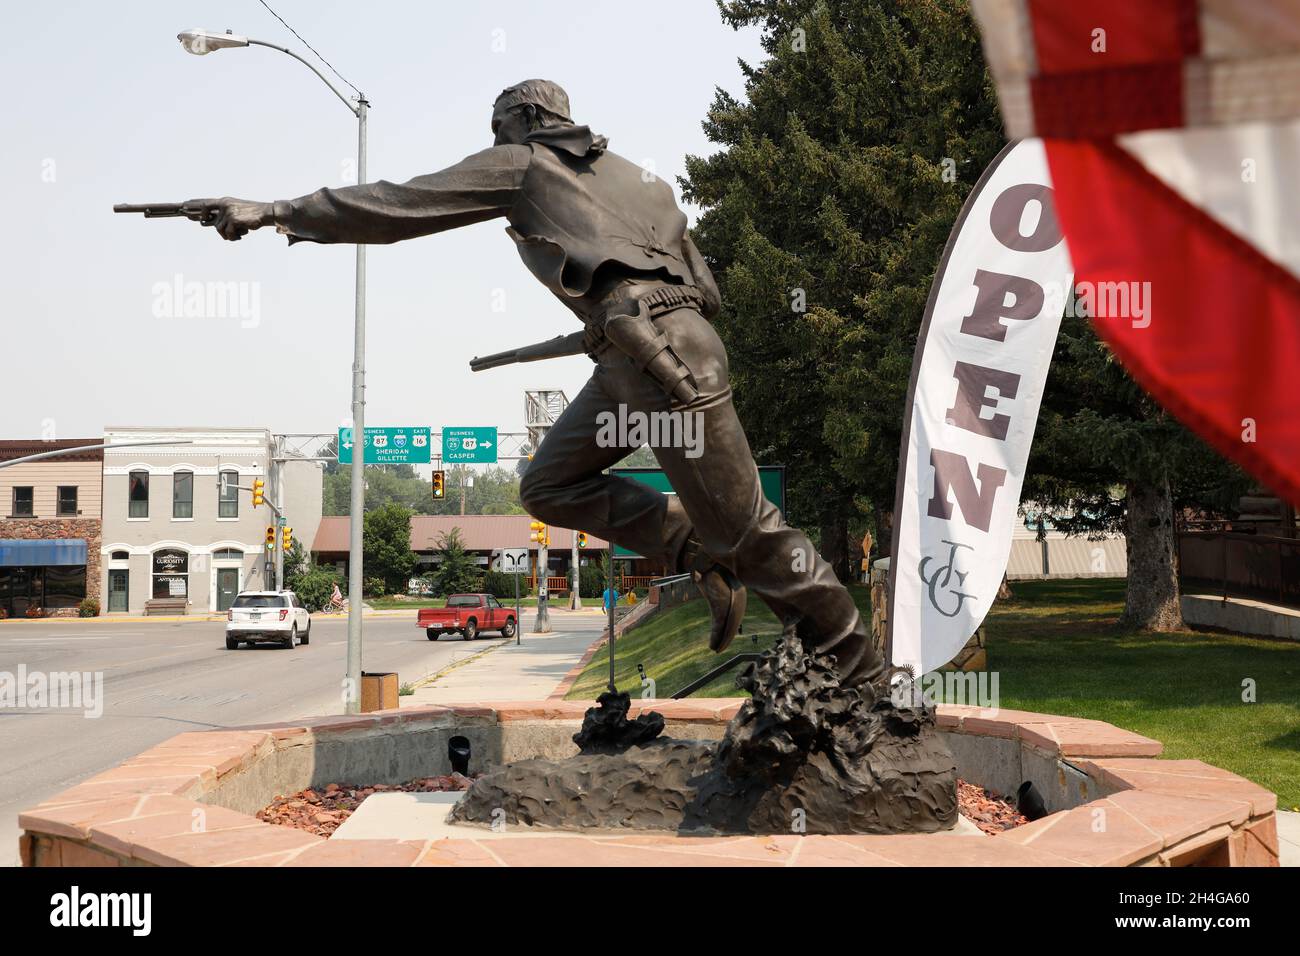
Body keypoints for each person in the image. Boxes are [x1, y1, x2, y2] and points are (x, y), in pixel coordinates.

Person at [185, 79, 883, 688]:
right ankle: (693, 553)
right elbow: (708, 291)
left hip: (656, 362)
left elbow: (404, 204)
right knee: (549, 485)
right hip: (639, 354)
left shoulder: (523, 162)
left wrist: (278, 211)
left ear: (523, 118)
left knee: (751, 529)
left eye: (497, 130)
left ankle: (857, 668)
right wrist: (612, 317)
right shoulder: (644, 181)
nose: (493, 143)